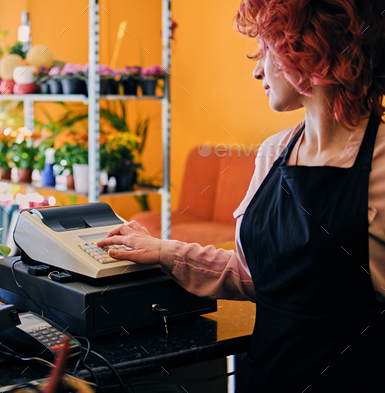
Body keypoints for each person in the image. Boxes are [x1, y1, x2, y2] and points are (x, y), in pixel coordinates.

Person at [97, 1, 385, 391]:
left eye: (267, 49)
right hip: (264, 378)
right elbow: (255, 277)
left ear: (311, 49)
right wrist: (165, 251)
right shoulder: (273, 153)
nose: (257, 69)